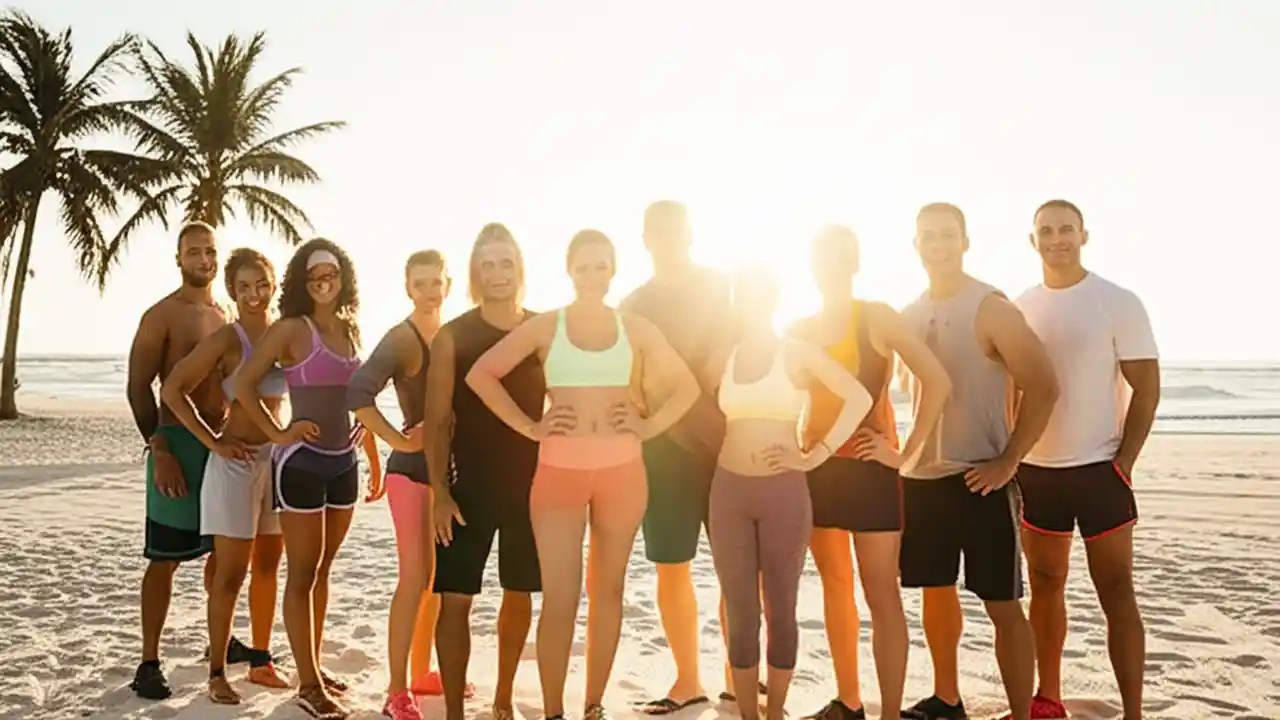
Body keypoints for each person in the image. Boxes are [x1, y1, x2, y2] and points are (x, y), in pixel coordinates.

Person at [467, 229, 701, 720]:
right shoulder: (547, 327)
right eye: (583, 267)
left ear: (613, 270)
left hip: (622, 474)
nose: (592, 276)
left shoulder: (634, 327)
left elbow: (686, 388)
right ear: (569, 271)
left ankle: (592, 705)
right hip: (558, 476)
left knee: (608, 593)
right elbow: (481, 374)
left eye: (601, 267)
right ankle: (554, 711)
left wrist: (648, 426)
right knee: (561, 597)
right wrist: (530, 426)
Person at [898, 203, 1059, 720]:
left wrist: (1010, 460)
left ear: (965, 241)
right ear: (915, 244)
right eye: (928, 235)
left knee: (1002, 604)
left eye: (947, 234)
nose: (937, 243)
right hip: (923, 480)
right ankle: (947, 699)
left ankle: (1019, 712)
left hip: (981, 479)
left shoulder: (990, 307)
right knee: (935, 592)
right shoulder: (907, 314)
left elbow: (1044, 386)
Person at [787, 225, 951, 720]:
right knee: (835, 586)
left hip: (871, 472)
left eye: (841, 256)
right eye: (822, 256)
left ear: (855, 261)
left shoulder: (876, 316)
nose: (831, 265)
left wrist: (906, 456)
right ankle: (849, 702)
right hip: (817, 471)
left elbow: (938, 382)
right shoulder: (798, 328)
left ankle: (890, 713)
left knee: (880, 593)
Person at [701, 265, 871, 720]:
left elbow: (858, 397)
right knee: (740, 611)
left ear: (774, 300)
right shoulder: (723, 358)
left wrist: (817, 455)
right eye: (744, 295)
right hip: (729, 492)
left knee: (782, 608)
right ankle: (749, 715)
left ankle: (774, 712)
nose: (752, 304)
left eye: (760, 295)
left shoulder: (795, 353)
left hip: (784, 493)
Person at [1013, 199, 1159, 720]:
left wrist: (1125, 462)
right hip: (1038, 473)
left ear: (1084, 236)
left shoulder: (1116, 301)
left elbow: (1147, 388)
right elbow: (1009, 387)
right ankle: (1048, 699)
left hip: (1102, 471)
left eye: (1066, 229)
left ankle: (1133, 712)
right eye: (1046, 231)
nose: (1057, 238)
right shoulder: (1020, 307)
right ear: (1033, 241)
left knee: (1117, 588)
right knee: (1045, 584)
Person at [620, 201, 742, 714]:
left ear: (691, 232)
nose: (669, 238)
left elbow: (730, 354)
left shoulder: (718, 286)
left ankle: (739, 677)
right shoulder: (632, 303)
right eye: (659, 231)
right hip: (663, 450)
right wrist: (643, 411)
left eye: (677, 229)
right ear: (645, 238)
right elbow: (629, 380)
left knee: (736, 569)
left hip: (723, 444)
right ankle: (687, 680)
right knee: (673, 565)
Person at [236, 238, 365, 720]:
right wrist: (278, 431)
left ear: (342, 276)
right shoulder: (291, 330)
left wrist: (368, 444)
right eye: (314, 277)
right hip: (303, 462)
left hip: (345, 461)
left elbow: (358, 396)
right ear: (303, 282)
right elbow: (244, 385)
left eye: (330, 274)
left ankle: (313, 665)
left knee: (324, 570)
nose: (324, 283)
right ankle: (307, 685)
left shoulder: (351, 327)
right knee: (303, 573)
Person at [159, 248, 291, 703]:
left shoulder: (288, 334)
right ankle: (216, 672)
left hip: (276, 462)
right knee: (230, 574)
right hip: (233, 465)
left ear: (274, 285)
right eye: (243, 287)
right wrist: (212, 442)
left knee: (270, 567)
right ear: (232, 291)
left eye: (261, 284)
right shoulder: (228, 340)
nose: (253, 294)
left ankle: (260, 660)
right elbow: (174, 388)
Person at [425, 224, 542, 720]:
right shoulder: (455, 334)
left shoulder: (543, 330)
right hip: (467, 487)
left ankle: (502, 698)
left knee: (519, 592)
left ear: (520, 268)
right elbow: (435, 422)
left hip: (532, 488)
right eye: (487, 265)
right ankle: (454, 711)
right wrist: (439, 495)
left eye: (506, 263)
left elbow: (575, 396)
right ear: (475, 274)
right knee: (455, 599)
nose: (497, 273)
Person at [125, 221, 230, 700]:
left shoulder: (225, 312)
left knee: (220, 550)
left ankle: (220, 643)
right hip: (176, 444)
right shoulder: (160, 316)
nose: (203, 260)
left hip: (221, 446)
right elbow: (138, 386)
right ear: (179, 258)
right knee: (164, 558)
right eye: (194, 252)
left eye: (210, 251)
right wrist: (159, 447)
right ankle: (149, 660)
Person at [346, 249, 452, 719]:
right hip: (411, 475)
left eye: (437, 282)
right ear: (407, 287)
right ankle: (394, 691)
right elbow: (357, 393)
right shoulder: (402, 338)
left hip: (450, 473)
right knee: (413, 578)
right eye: (421, 282)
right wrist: (399, 442)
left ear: (448, 285)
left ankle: (423, 671)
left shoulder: (453, 334)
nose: (430, 290)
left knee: (435, 579)